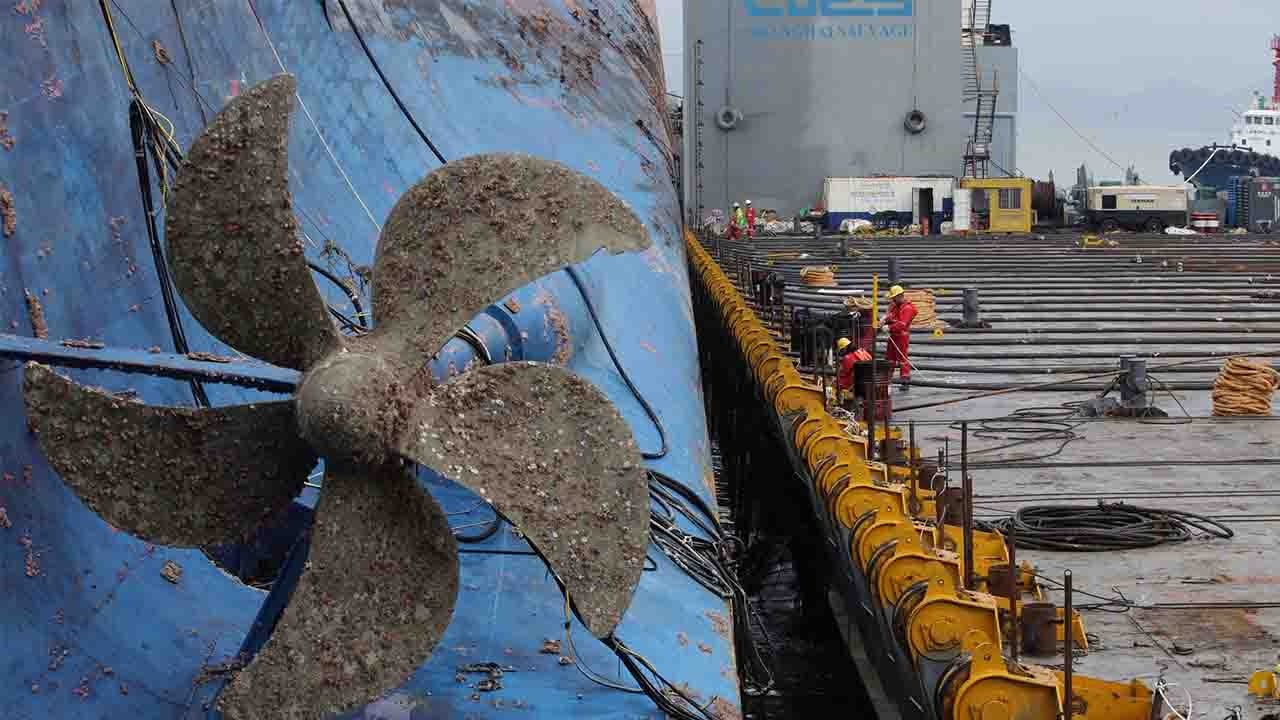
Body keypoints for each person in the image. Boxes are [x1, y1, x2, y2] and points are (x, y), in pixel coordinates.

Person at [880, 285, 916, 388]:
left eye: (893, 297)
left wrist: (889, 327)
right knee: (889, 357)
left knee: (902, 358)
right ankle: (887, 378)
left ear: (899, 296)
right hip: (893, 336)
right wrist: (884, 319)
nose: (892, 299)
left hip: (901, 336)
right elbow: (891, 315)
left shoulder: (908, 308)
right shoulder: (895, 305)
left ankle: (905, 380)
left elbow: (902, 324)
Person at [835, 337, 872, 405]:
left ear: (845, 348)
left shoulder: (848, 358)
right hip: (870, 382)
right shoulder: (862, 351)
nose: (841, 353)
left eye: (841, 350)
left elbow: (845, 375)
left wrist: (838, 385)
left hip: (858, 386)